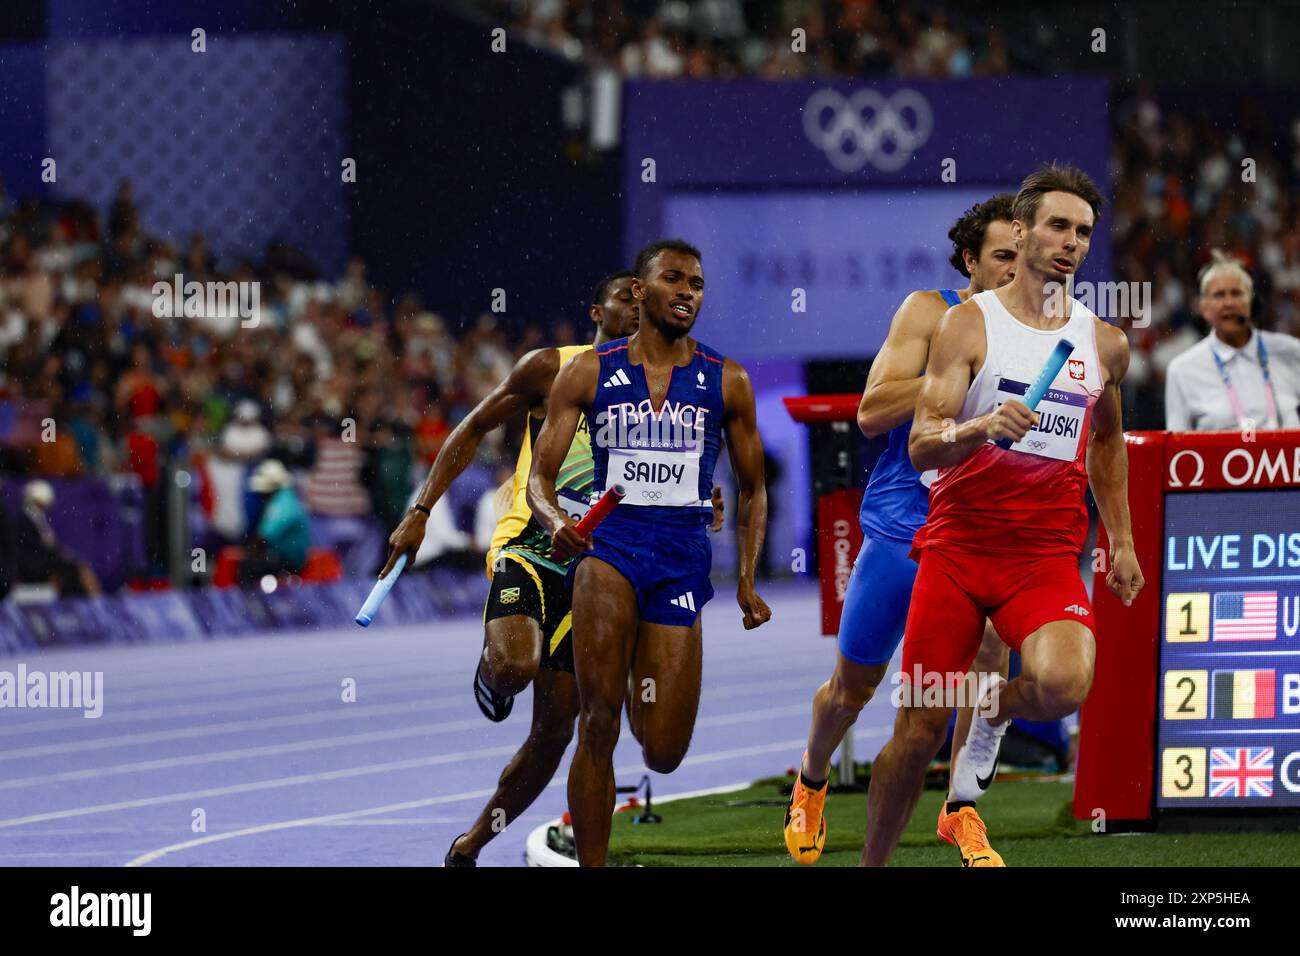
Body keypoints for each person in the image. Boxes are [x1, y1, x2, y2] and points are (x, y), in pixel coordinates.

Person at [383, 270, 720, 867]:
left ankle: (471, 845)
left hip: (601, 569)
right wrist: (420, 510)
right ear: (597, 312)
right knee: (517, 665)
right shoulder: (552, 367)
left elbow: (675, 473)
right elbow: (474, 426)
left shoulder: (662, 386)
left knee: (555, 736)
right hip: (533, 547)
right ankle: (494, 674)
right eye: (626, 297)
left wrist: (703, 501)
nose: (638, 308)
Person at [863, 164, 1143, 867]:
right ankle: (872, 862)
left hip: (1043, 558)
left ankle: (990, 705)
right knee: (920, 727)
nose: (1071, 242)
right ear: (1020, 233)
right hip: (957, 551)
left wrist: (1124, 540)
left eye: (1083, 231)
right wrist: (978, 427)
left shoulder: (1104, 343)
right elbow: (923, 443)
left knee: (1063, 684)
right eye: (1056, 225)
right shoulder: (966, 324)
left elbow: (1107, 440)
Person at [783, 194, 1019, 867]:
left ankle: (962, 809)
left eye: (1021, 258)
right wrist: (959, 368)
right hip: (904, 526)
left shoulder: (1038, 327)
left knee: (986, 667)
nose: (1013, 271)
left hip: (979, 531)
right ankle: (812, 775)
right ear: (971, 260)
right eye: (1001, 256)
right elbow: (870, 413)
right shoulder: (927, 310)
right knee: (851, 690)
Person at [529, 239, 771, 867]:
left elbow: (755, 488)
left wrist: (746, 580)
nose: (688, 292)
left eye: (696, 283)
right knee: (598, 722)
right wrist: (556, 519)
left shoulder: (729, 380)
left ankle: (639, 660)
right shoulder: (587, 372)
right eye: (673, 279)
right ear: (640, 292)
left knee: (663, 750)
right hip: (609, 553)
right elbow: (539, 477)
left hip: (682, 563)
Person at [1165, 250, 1300, 432]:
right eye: (1219, 295)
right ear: (1203, 307)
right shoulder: (1182, 371)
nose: (1229, 303)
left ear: (1251, 303)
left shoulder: (1291, 352)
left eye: (1237, 293)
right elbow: (1176, 452)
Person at [237, 459, 310, 583]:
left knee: (248, 566)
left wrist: (248, 551)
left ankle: (249, 601)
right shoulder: (286, 497)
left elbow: (264, 536)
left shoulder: (282, 503)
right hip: (284, 555)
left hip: (290, 560)